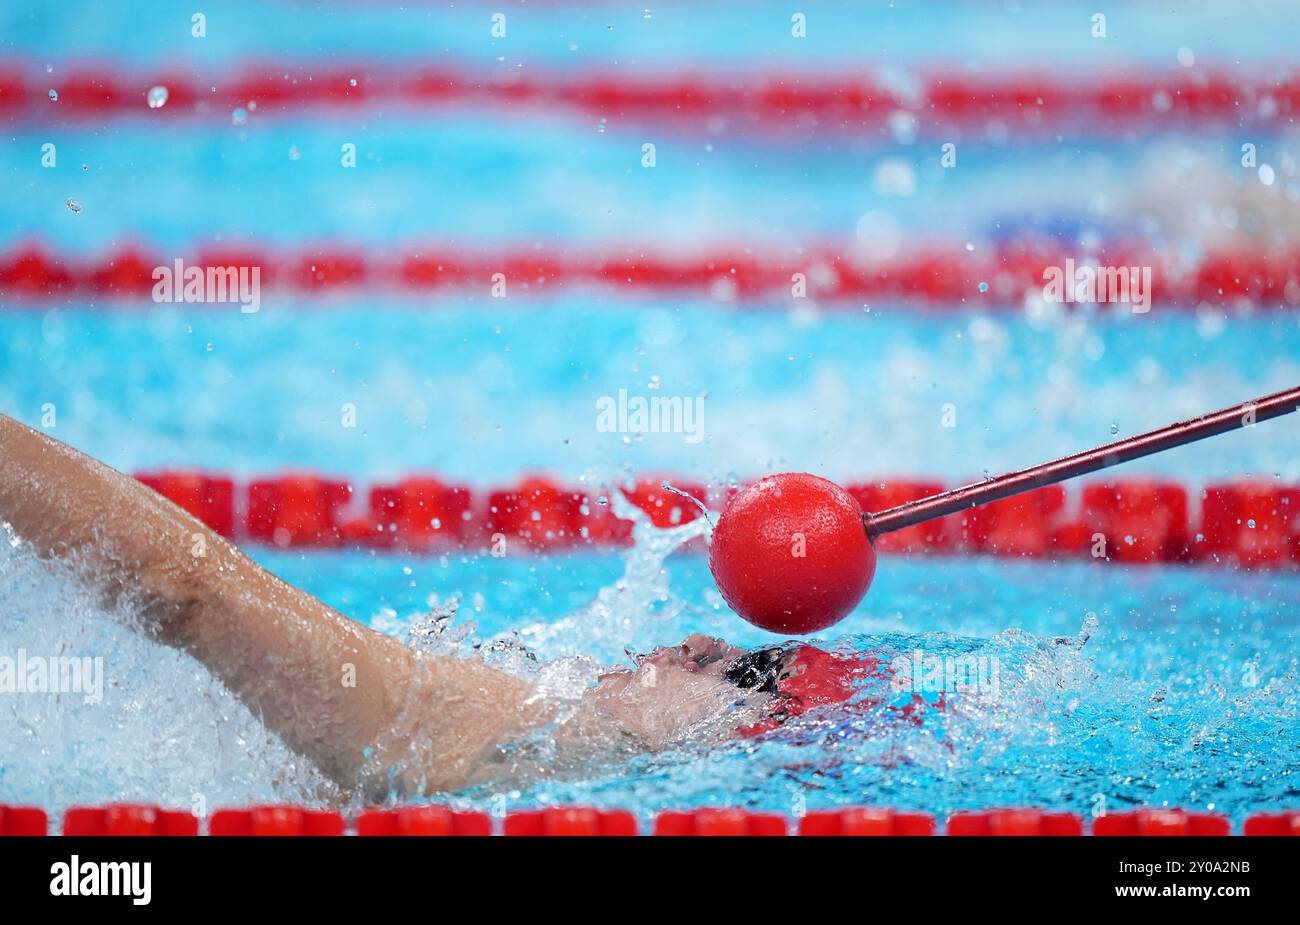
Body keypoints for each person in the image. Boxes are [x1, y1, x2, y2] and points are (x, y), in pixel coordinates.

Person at [0, 413, 867, 799]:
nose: (697, 637)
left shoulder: (428, 725)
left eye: (743, 667)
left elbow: (179, 585)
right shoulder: (497, 746)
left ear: (737, 738)